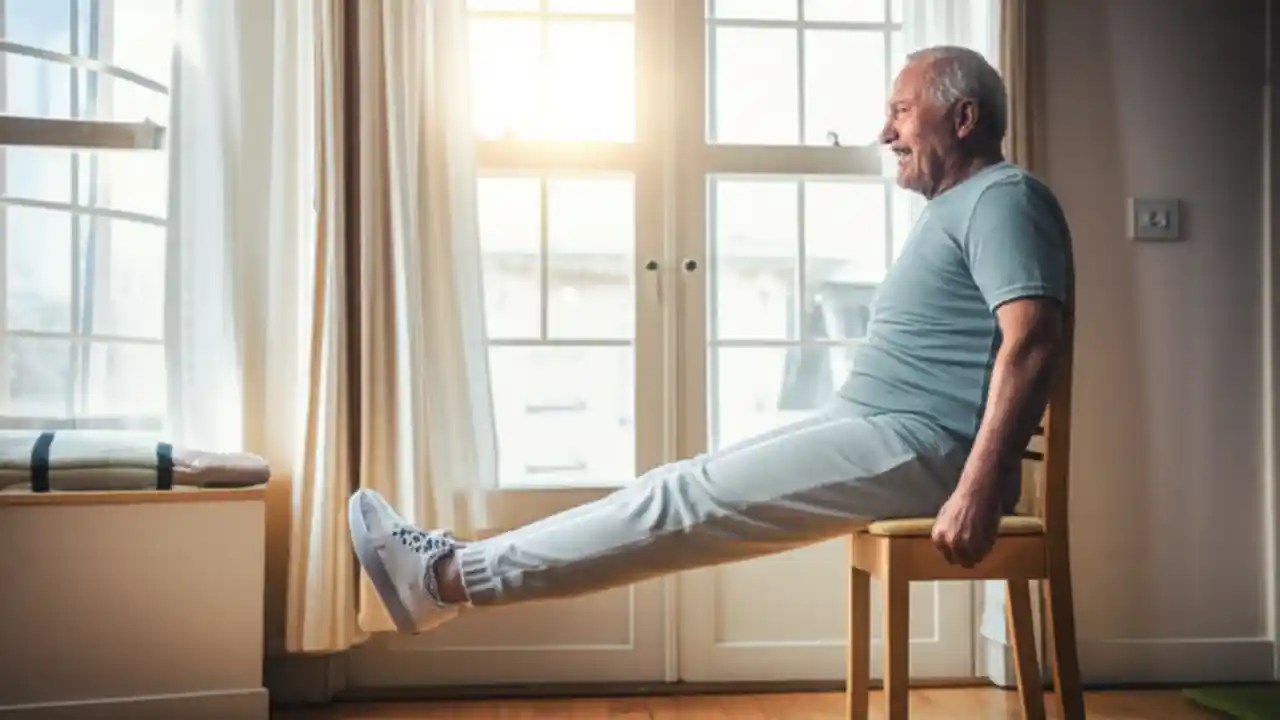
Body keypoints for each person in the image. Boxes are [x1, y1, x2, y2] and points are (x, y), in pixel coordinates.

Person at [347, 45, 1073, 635]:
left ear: (965, 117)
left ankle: (446, 582)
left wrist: (980, 485)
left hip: (922, 447)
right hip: (882, 427)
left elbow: (1034, 341)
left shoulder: (1004, 198)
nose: (886, 133)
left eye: (902, 112)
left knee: (681, 505)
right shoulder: (961, 207)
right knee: (673, 489)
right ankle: (451, 570)